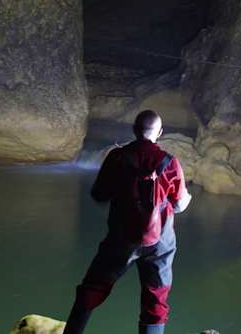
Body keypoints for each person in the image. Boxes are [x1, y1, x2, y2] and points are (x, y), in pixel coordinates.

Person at [63, 110, 193, 334]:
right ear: (160, 133)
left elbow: (99, 194)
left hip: (122, 238)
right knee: (156, 298)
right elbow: (179, 204)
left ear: (134, 130)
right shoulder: (170, 163)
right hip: (160, 242)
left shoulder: (117, 157)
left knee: (93, 287)